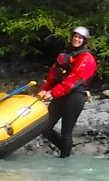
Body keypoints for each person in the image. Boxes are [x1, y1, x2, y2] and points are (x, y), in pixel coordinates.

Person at [38, 25, 98, 157]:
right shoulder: (64, 55)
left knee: (66, 131)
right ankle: (67, 152)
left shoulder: (87, 58)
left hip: (75, 96)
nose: (77, 39)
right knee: (44, 127)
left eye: (80, 38)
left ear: (84, 41)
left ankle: (64, 159)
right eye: (75, 36)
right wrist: (44, 90)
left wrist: (52, 93)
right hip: (61, 95)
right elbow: (53, 75)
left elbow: (74, 80)